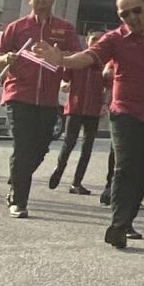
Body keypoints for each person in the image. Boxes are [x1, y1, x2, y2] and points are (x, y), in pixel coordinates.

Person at [56, 0, 144, 249]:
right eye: (124, 14)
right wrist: (61, 59)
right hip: (126, 110)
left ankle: (127, 219)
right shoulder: (115, 39)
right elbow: (89, 57)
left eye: (136, 10)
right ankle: (119, 224)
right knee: (126, 166)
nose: (132, 17)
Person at [0, 0, 82, 219]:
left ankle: (17, 177)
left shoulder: (64, 28)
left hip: (49, 99)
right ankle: (19, 201)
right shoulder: (17, 27)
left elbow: (77, 56)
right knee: (23, 147)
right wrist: (6, 59)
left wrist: (59, 56)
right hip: (19, 95)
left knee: (40, 148)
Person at [48, 51, 105, 194]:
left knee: (87, 147)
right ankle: (59, 169)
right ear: (87, 41)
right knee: (69, 143)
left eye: (98, 40)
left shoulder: (103, 63)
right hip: (75, 108)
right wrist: (64, 85)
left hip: (93, 110)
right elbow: (64, 79)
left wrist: (105, 104)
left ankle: (76, 183)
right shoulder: (77, 59)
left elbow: (109, 85)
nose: (95, 42)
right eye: (93, 40)